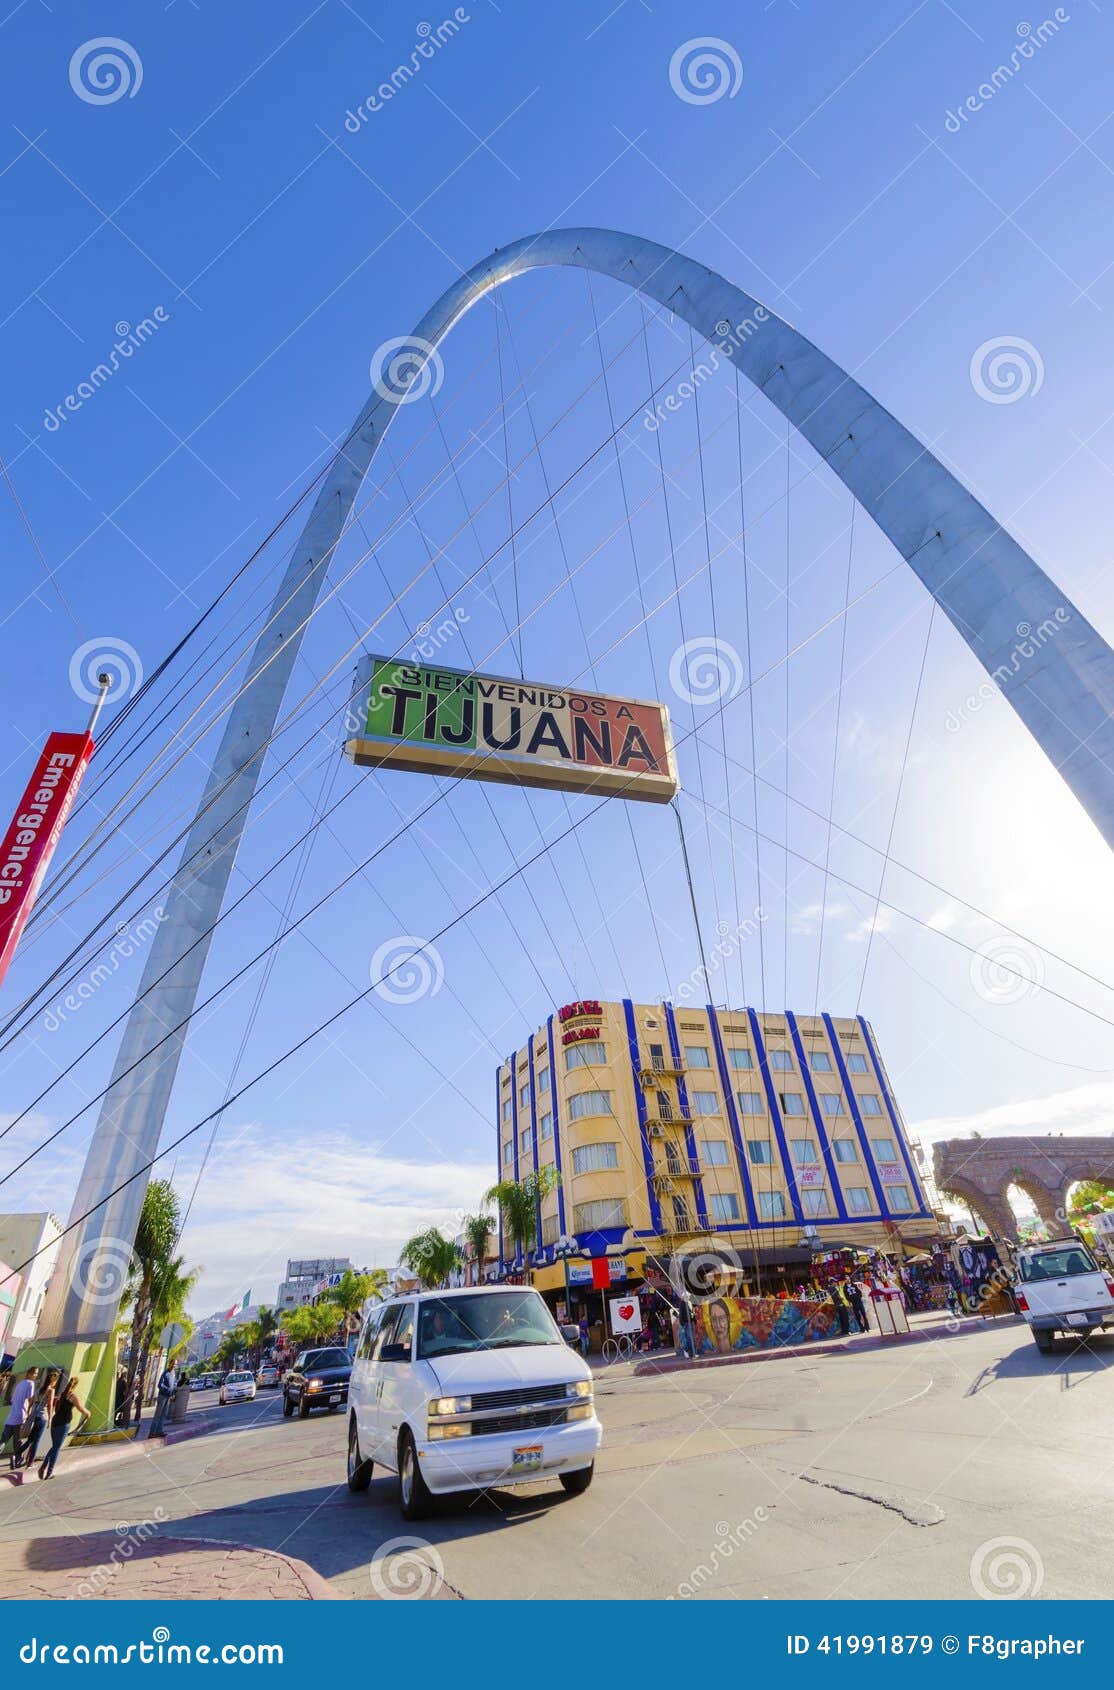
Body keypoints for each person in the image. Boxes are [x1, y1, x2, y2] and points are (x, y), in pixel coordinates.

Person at [39, 1376, 88, 1480]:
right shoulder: (72, 1396)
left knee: (54, 1447)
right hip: (64, 1424)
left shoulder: (62, 1395)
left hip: (55, 1423)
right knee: (56, 1448)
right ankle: (49, 1471)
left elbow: (57, 1409)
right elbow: (81, 1409)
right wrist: (88, 1413)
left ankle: (43, 1467)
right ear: (75, 1385)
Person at [19, 1368, 59, 1469]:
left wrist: (29, 1412)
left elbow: (31, 1402)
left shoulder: (40, 1388)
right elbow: (50, 1405)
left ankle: (17, 1453)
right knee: (36, 1441)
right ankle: (30, 1463)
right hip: (43, 1416)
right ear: (54, 1380)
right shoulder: (51, 1390)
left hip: (35, 1415)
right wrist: (50, 1419)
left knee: (30, 1439)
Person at [1, 1367, 38, 1470]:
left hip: (11, 1417)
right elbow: (31, 1400)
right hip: (20, 1416)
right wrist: (29, 1413)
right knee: (18, 1442)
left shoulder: (19, 1384)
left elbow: (13, 1400)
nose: (36, 1375)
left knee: (3, 1440)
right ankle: (17, 1461)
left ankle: (15, 1461)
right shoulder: (31, 1384)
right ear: (29, 1374)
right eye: (35, 1373)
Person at [150, 1362, 178, 1438]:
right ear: (169, 1364)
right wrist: (167, 1389)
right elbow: (160, 1385)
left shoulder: (173, 1373)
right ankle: (152, 1432)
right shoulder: (165, 1373)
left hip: (168, 1396)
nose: (173, 1365)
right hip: (162, 1396)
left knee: (163, 1415)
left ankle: (159, 1431)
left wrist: (173, 1393)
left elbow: (173, 1384)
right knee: (158, 1414)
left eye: (175, 1364)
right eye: (172, 1364)